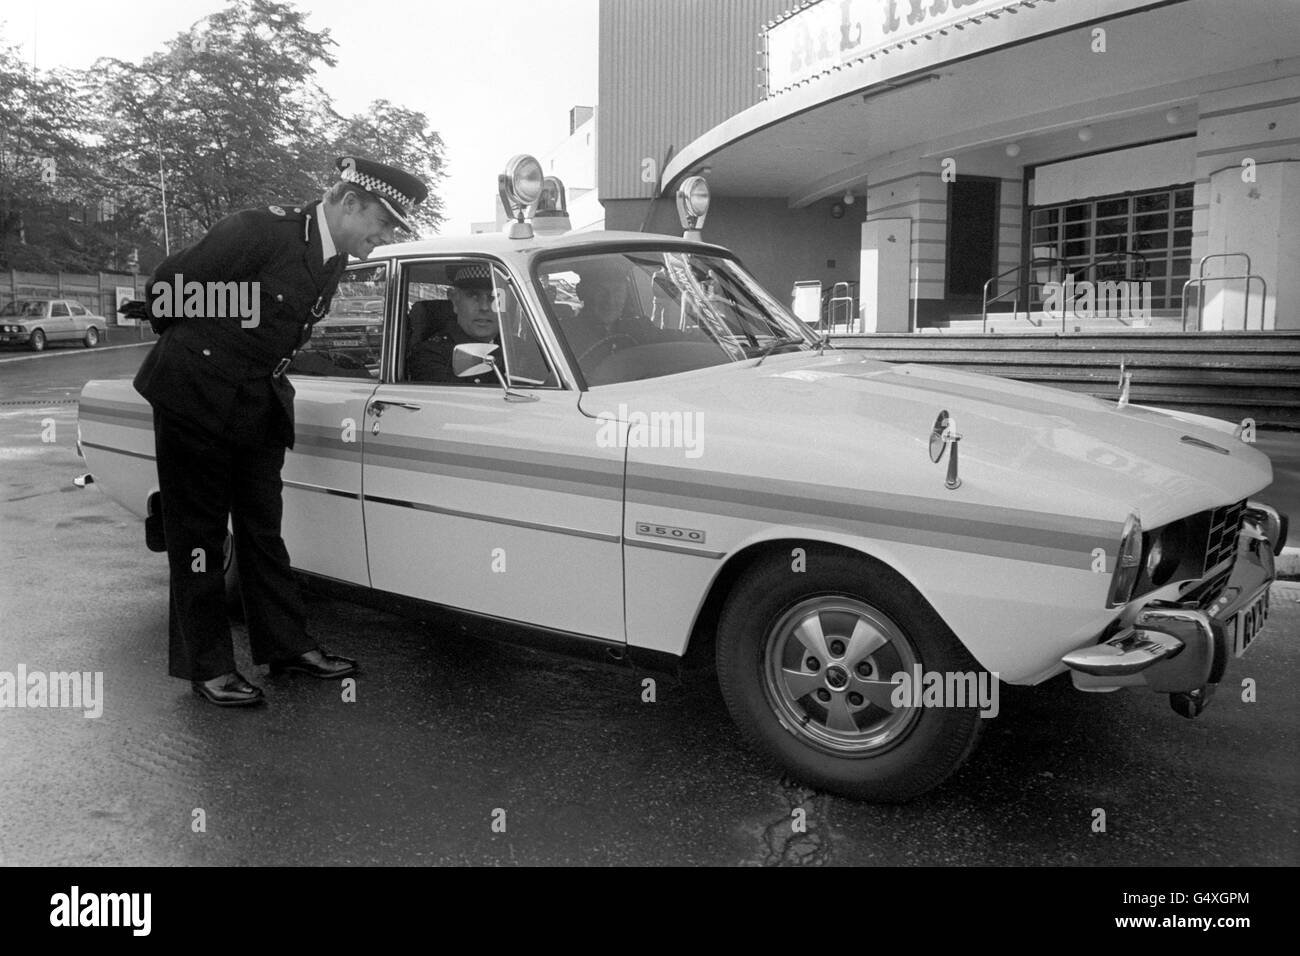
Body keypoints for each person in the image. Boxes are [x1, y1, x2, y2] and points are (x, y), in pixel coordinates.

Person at [133, 156, 428, 707]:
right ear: (347, 203)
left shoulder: (333, 256)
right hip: (195, 395)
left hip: (257, 400)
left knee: (263, 529)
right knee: (197, 538)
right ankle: (208, 666)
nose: (384, 237)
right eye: (382, 223)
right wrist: (206, 350)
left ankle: (286, 646)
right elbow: (167, 290)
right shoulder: (258, 232)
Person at [408, 264, 501, 384]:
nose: (484, 307)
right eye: (473, 295)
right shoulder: (431, 355)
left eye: (494, 297)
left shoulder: (518, 348)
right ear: (455, 300)